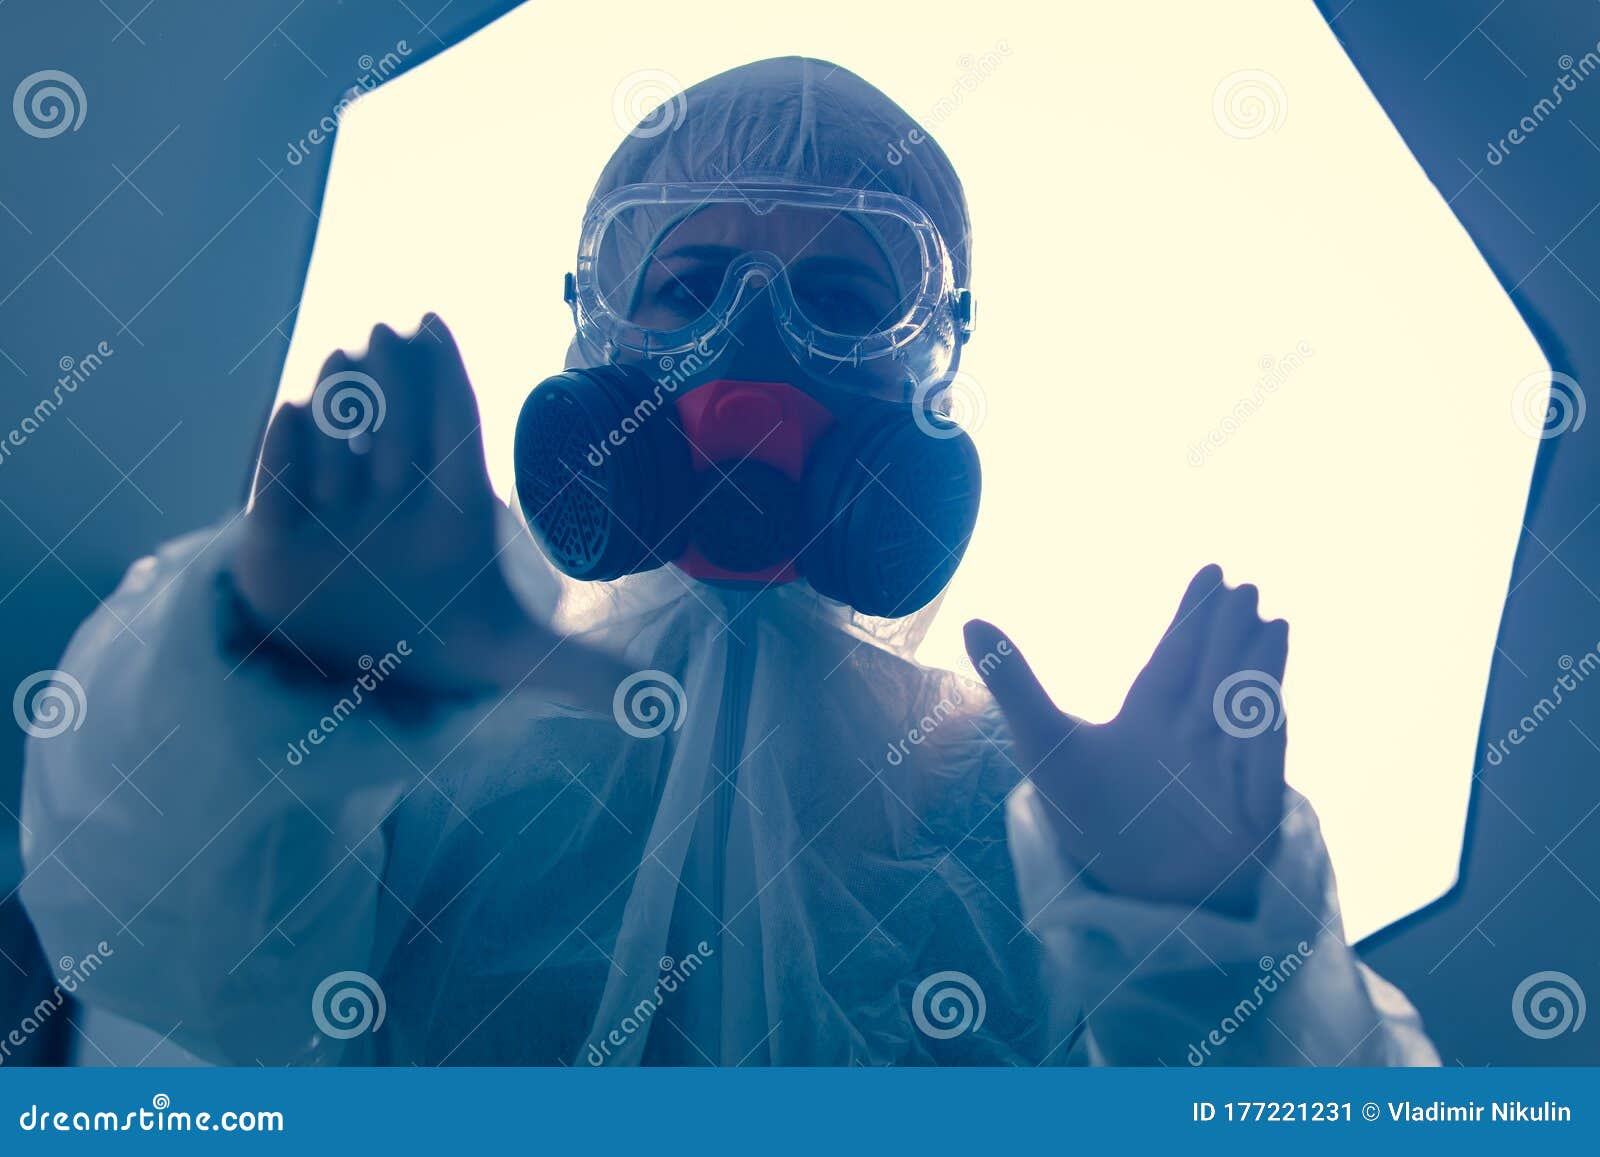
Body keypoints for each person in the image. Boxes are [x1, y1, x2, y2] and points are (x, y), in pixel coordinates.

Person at [18, 57, 1436, 1066]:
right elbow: (174, 1015)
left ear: (929, 374)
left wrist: (1199, 949)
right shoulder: (411, 755)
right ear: (598, 337)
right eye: (689, 290)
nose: (751, 346)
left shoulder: (1032, 828)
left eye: (839, 300)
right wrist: (266, 697)